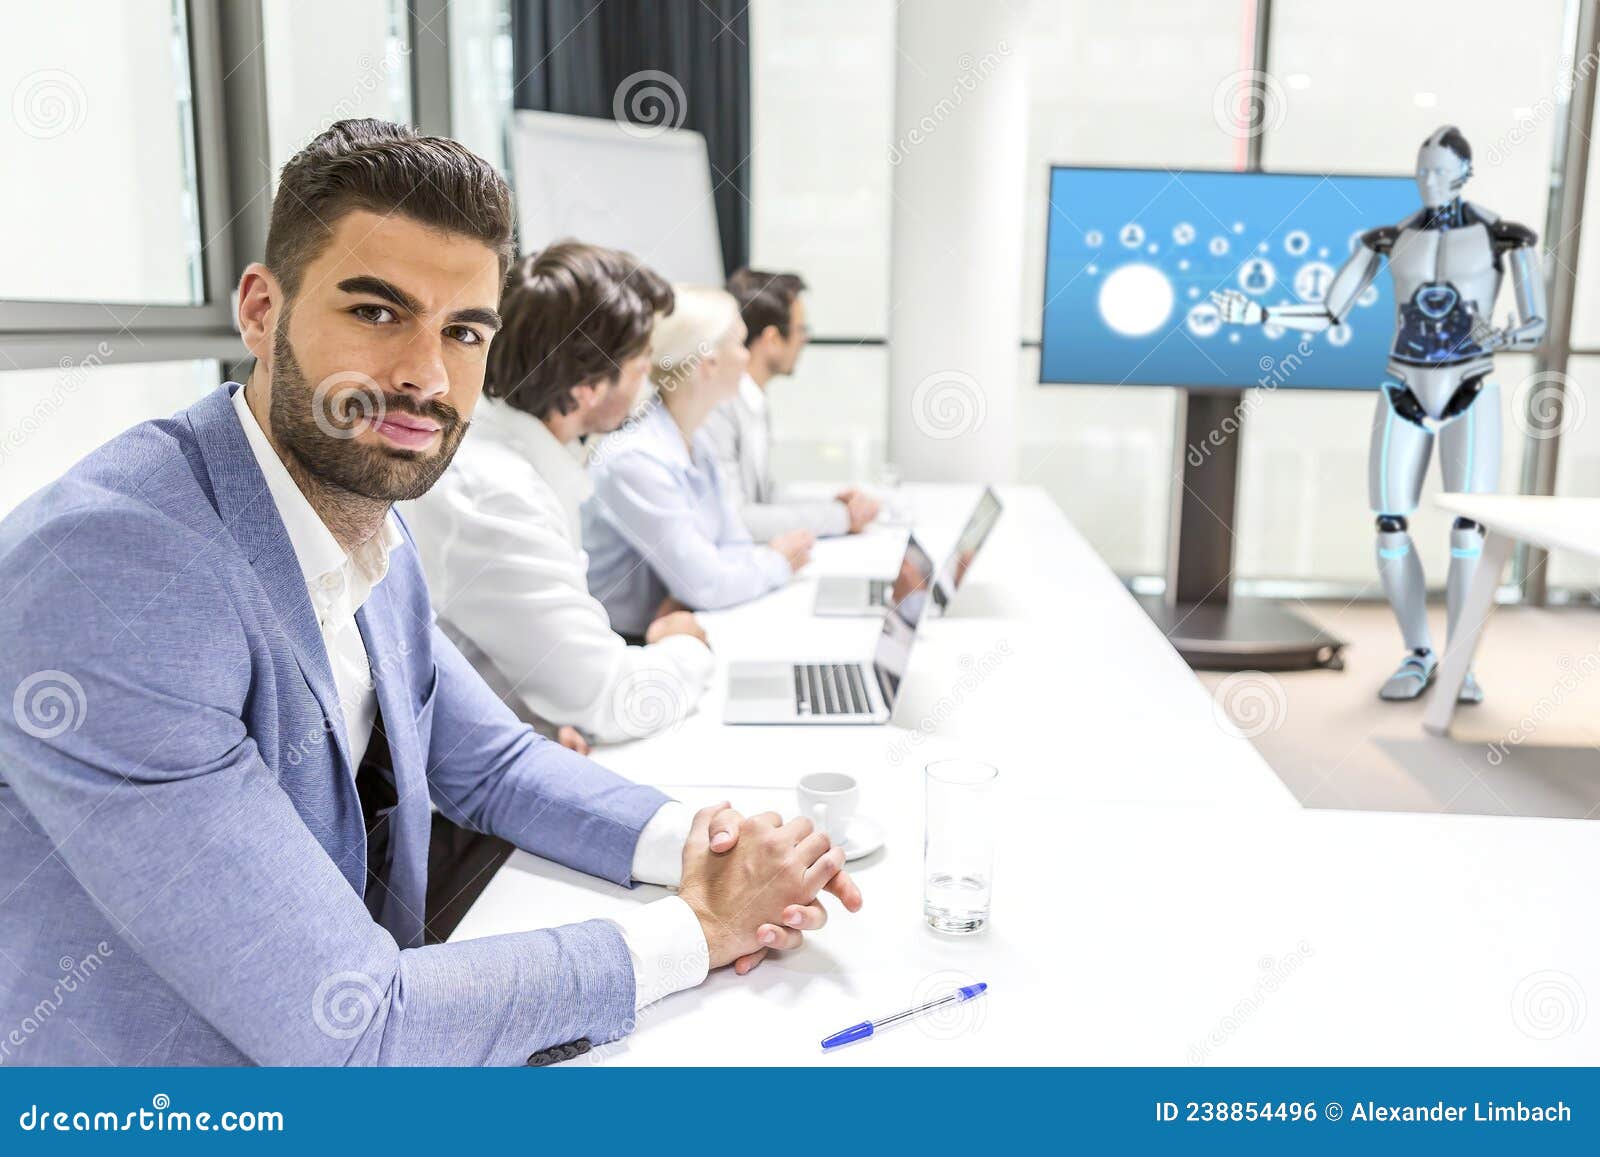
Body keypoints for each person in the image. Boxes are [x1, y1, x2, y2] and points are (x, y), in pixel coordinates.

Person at [0, 120, 860, 1067]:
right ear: (259, 309)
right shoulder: (114, 578)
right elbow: (354, 1022)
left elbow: (491, 766)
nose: (426, 375)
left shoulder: (363, 509)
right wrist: (696, 929)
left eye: (463, 331)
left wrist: (708, 842)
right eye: (375, 312)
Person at [403, 242, 713, 752]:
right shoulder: (495, 492)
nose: (650, 382)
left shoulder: (505, 456)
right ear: (589, 386)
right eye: (641, 363)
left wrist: (541, 714)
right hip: (453, 815)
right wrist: (684, 646)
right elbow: (613, 699)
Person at [584, 286, 813, 639]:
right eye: (739, 343)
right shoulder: (634, 459)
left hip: (683, 630)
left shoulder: (696, 441)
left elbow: (732, 547)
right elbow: (707, 584)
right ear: (709, 363)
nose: (746, 356)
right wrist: (777, 561)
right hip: (627, 649)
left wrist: (707, 584)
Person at [704, 268, 880, 539]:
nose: (804, 340)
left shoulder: (753, 401)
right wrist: (841, 517)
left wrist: (835, 503)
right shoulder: (719, 407)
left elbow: (764, 497)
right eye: (801, 330)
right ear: (773, 339)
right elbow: (738, 518)